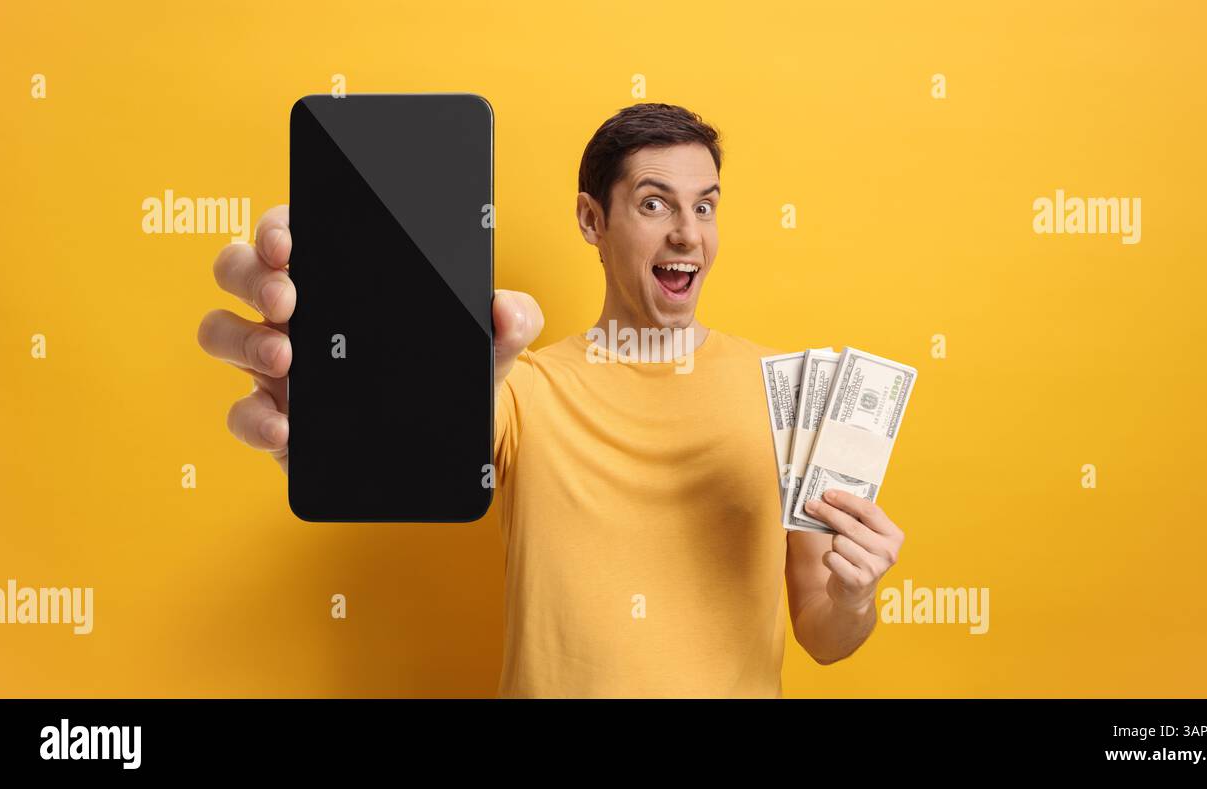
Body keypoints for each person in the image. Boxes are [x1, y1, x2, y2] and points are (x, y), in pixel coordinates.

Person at [196, 103, 905, 697]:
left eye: (705, 206)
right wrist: (328, 413)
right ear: (591, 220)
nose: (688, 233)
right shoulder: (522, 390)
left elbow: (825, 634)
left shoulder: (790, 396)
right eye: (654, 203)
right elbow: (410, 448)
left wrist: (854, 597)